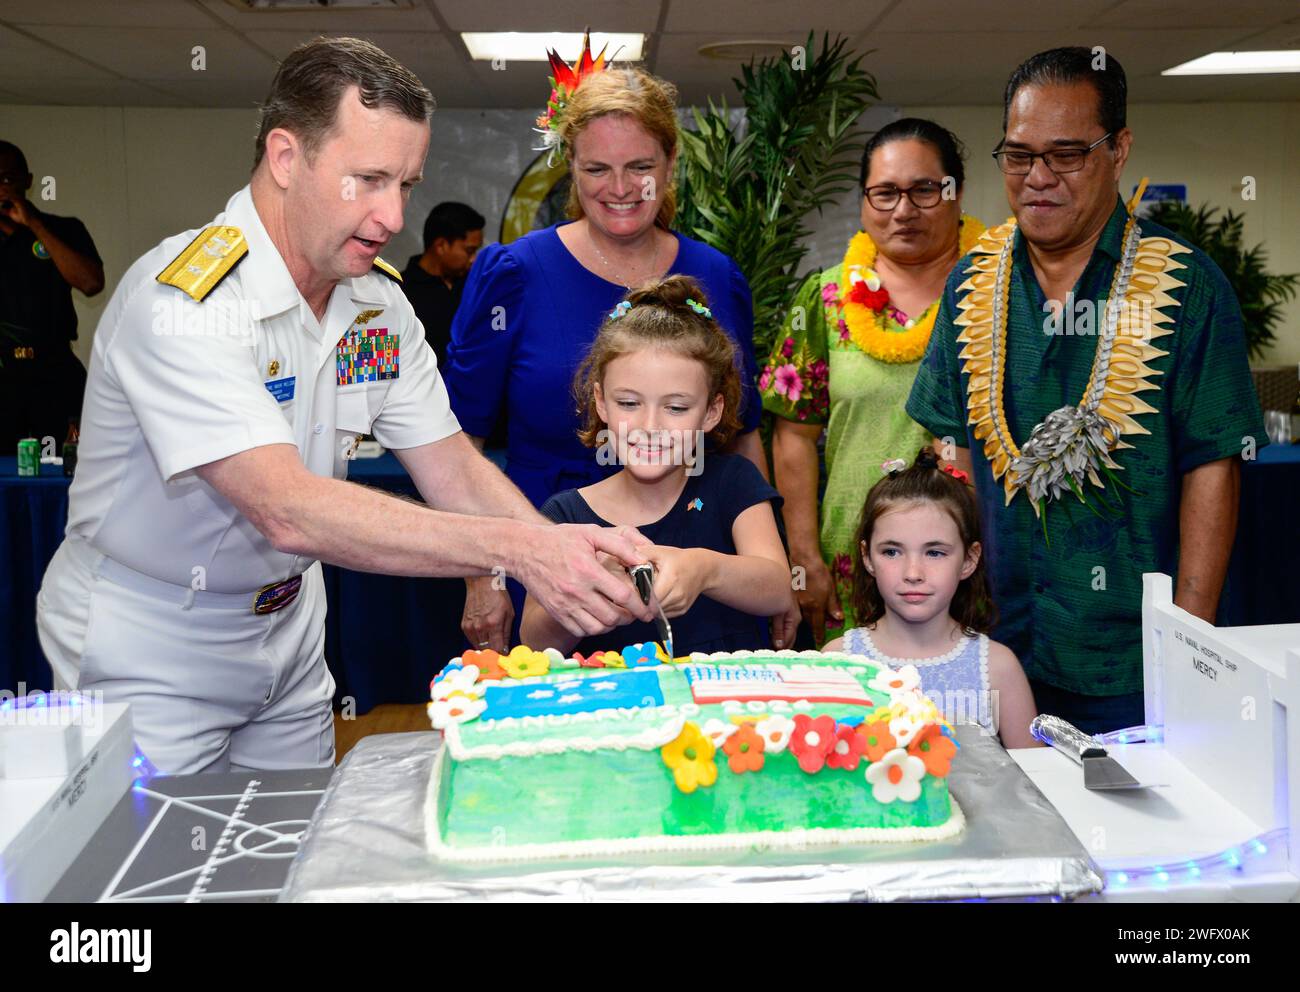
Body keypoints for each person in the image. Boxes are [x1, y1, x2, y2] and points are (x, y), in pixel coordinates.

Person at [35, 37, 653, 776]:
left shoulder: (375, 304)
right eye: (368, 180)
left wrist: (565, 550)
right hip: (153, 642)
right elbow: (287, 509)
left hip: (291, 633)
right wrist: (522, 552)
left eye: (406, 183)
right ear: (287, 157)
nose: (393, 215)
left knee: (290, 859)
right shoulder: (183, 301)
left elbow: (450, 461)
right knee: (159, 875)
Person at [906, 48, 1267, 735]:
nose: (1038, 178)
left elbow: (1211, 471)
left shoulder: (1189, 289)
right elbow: (947, 449)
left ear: (1119, 149)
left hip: (1131, 662)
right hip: (997, 647)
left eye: (1066, 155)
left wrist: (1187, 654)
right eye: (1018, 155)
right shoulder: (969, 286)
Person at [445, 49, 768, 654]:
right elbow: (462, 443)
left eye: (640, 166)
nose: (619, 189)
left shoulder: (717, 277)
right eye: (597, 169)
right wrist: (481, 573)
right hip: (540, 558)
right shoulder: (511, 274)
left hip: (695, 569)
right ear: (570, 165)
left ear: (671, 164)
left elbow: (743, 431)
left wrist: (769, 566)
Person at [762, 120, 985, 646]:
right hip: (851, 560)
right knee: (855, 720)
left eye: (925, 190)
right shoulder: (824, 299)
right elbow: (792, 437)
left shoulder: (997, 293)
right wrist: (803, 557)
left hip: (972, 561)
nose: (903, 210)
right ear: (864, 202)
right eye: (884, 193)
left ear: (955, 194)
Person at [521, 276, 793, 656]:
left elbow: (779, 588)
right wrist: (588, 588)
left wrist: (705, 570)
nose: (650, 428)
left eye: (676, 408)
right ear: (601, 402)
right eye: (629, 404)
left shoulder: (733, 483)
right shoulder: (565, 514)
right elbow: (534, 641)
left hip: (722, 706)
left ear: (711, 411)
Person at [823, 448, 1038, 749]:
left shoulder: (998, 667)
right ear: (867, 557)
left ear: (969, 559)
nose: (913, 572)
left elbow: (1032, 782)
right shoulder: (838, 661)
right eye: (892, 552)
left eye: (935, 552)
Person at [0, 140, 104, 448]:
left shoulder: (64, 229)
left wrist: (33, 223)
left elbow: (90, 283)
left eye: (8, 179)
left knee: (68, 467)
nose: (1, 189)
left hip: (54, 372)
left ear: (28, 182)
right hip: (3, 374)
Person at [401, 201, 484, 370]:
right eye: (469, 251)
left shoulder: (477, 286)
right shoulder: (400, 292)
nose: (474, 258)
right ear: (441, 246)